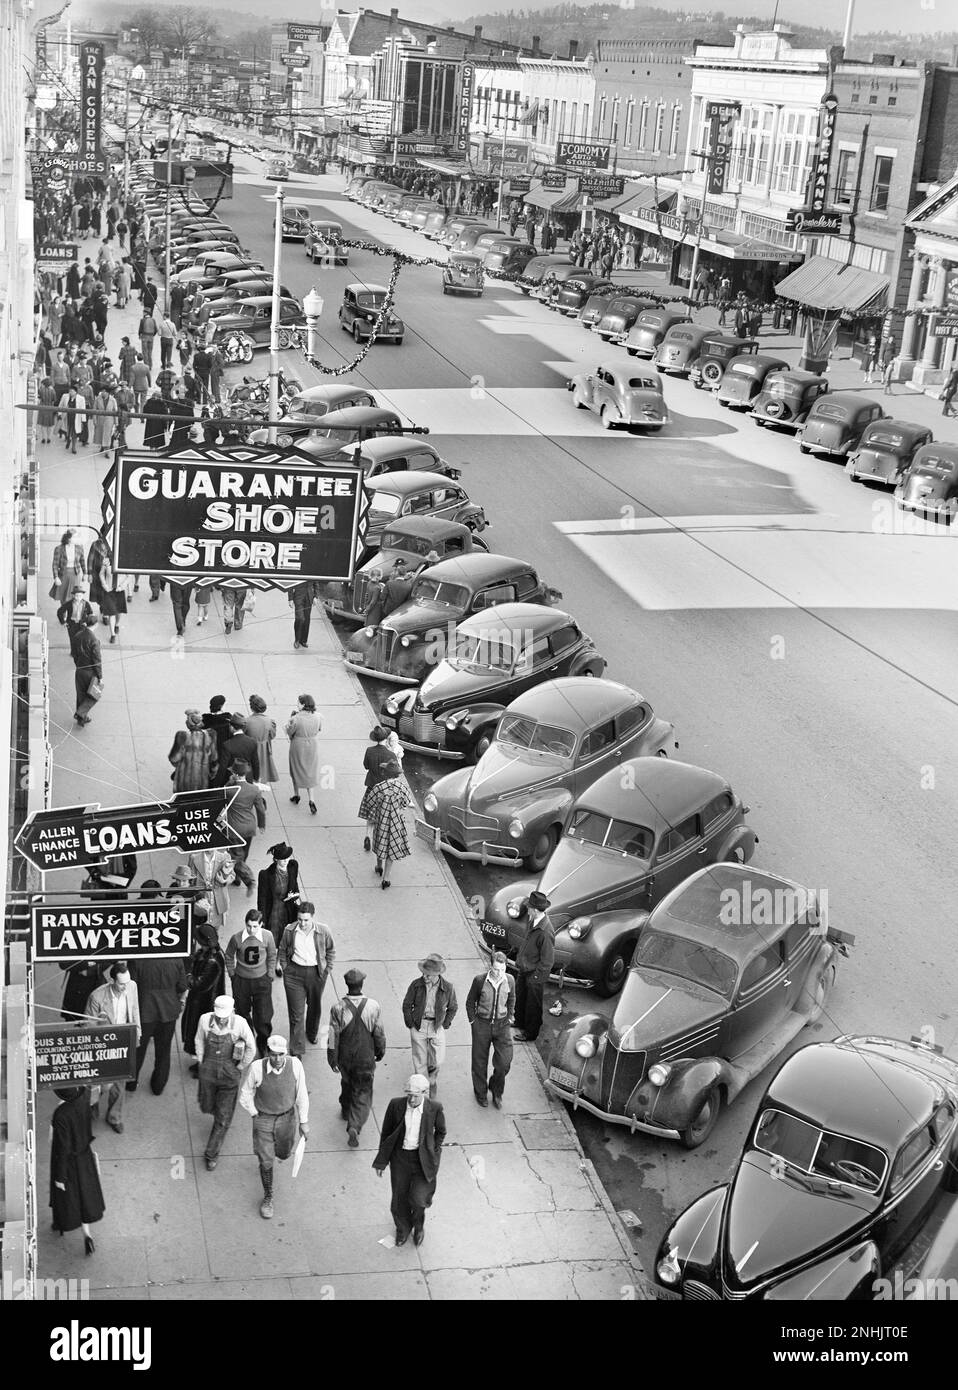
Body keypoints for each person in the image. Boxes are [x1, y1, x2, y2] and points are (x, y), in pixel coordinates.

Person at [239, 1034, 309, 1219]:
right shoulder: (257, 1068)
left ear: (285, 1053)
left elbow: (301, 1093)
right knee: (266, 1160)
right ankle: (268, 1196)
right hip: (263, 1118)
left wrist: (303, 1121)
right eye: (273, 1054)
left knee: (284, 1153)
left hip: (287, 1118)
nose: (277, 1059)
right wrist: (255, 1113)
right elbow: (245, 1094)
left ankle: (275, 1154)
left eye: (281, 1054)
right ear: (267, 1053)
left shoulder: (295, 1065)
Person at [372, 1075, 446, 1247]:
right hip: (401, 1158)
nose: (411, 1099)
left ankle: (418, 1226)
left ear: (424, 1093)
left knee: (419, 1199)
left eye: (416, 1095)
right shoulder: (395, 1105)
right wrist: (382, 1161)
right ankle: (403, 1229)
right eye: (409, 1095)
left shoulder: (434, 1108)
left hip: (423, 1160)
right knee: (399, 1198)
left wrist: (434, 1150)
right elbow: (386, 1133)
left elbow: (441, 1131)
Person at [194, 995, 256, 1171]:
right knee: (206, 1105)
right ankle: (218, 1114)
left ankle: (211, 1153)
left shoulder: (240, 1024)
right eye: (219, 1015)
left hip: (229, 1074)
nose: (221, 1019)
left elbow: (251, 1047)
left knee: (223, 1117)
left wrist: (241, 1066)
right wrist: (201, 1061)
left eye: (224, 1015)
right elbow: (199, 1040)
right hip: (208, 1072)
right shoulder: (205, 1020)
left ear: (232, 1011)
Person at [327, 968, 386, 1148]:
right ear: (362, 984)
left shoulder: (338, 1008)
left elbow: (332, 1036)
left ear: (347, 984)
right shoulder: (373, 1006)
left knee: (347, 1082)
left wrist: (332, 1058)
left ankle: (345, 1108)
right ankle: (354, 1125)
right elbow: (379, 1033)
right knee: (363, 1091)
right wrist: (380, 1051)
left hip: (345, 1056)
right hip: (365, 1056)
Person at [49, 1087, 106, 1256]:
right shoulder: (84, 1098)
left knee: (69, 1199)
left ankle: (60, 1223)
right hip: (84, 1156)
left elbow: (63, 1147)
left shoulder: (60, 1114)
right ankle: (87, 1236)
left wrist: (60, 1177)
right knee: (85, 1198)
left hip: (69, 1164)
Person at [87, 964, 141, 1133]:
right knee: (97, 1083)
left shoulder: (132, 987)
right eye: (121, 984)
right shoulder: (96, 997)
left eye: (127, 982)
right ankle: (91, 1109)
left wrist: (137, 1033)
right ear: (111, 981)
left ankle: (114, 1117)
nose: (125, 987)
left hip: (123, 1041)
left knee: (119, 1083)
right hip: (103, 1044)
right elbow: (89, 1026)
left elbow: (134, 1009)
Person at [278, 902, 336, 1058]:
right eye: (300, 919)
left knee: (314, 1007)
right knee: (296, 1014)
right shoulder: (289, 930)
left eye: (306, 920)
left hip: (316, 974)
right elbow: (282, 949)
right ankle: (297, 1048)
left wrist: (326, 970)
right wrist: (285, 968)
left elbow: (331, 950)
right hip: (294, 974)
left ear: (312, 918)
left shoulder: (323, 931)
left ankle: (311, 1032)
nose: (302, 923)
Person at [128, 954, 188, 1095]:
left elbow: (131, 986)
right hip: (168, 1010)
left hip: (144, 1009)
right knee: (163, 1050)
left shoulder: (137, 958)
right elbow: (182, 986)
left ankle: (131, 1082)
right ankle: (158, 1085)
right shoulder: (176, 958)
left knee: (137, 1050)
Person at [402, 954, 457, 1099]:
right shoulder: (416, 985)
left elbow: (453, 1007)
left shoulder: (448, 988)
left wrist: (445, 1023)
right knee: (420, 1060)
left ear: (437, 974)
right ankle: (422, 1090)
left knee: (437, 1060)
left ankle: (432, 1081)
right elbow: (407, 1005)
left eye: (429, 975)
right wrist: (410, 1024)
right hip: (419, 1025)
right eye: (424, 973)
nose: (425, 977)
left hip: (436, 1026)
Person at [226, 908, 278, 1056]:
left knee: (263, 1015)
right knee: (242, 1014)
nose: (251, 929)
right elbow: (229, 956)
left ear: (261, 924)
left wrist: (270, 974)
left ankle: (263, 1042)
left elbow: (272, 955)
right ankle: (247, 1040)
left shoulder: (267, 936)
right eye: (249, 925)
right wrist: (232, 974)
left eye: (255, 926)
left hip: (262, 981)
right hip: (241, 981)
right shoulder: (237, 938)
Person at [466, 950, 515, 1107]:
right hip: (482, 1024)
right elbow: (470, 1002)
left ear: (506, 967)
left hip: (502, 1025)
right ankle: (480, 1093)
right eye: (495, 969)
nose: (499, 973)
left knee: (504, 1062)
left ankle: (496, 1090)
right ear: (490, 966)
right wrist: (473, 1022)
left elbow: (512, 998)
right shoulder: (479, 980)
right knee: (479, 1062)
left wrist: (509, 1016)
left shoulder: (510, 980)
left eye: (502, 969)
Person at [181, 912, 226, 1076]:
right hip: (203, 1003)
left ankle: (204, 1066)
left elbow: (200, 984)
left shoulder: (212, 961)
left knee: (202, 1037)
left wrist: (186, 975)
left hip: (204, 1005)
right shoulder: (210, 955)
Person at [359, 758, 411, 889]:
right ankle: (386, 878)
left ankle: (379, 866)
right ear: (397, 774)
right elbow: (406, 803)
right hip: (396, 822)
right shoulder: (402, 787)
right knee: (391, 848)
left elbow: (370, 802)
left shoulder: (379, 787)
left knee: (380, 844)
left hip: (381, 821)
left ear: (385, 773)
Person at [513, 890, 555, 1043]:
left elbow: (548, 960)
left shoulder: (545, 932)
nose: (527, 910)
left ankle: (530, 1033)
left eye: (529, 908)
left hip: (534, 974)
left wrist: (536, 977)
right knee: (521, 997)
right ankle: (519, 1021)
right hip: (525, 969)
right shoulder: (533, 921)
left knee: (533, 1005)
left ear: (535, 910)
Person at [225, 760, 267, 891]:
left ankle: (248, 879)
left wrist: (229, 782)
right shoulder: (254, 789)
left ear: (236, 774)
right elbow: (260, 809)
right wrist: (261, 824)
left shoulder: (229, 790)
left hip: (234, 828)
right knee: (244, 853)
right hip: (249, 826)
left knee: (234, 855)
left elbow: (220, 801)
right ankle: (238, 877)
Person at [257, 842, 301, 945]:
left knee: (289, 938)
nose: (286, 861)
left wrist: (295, 894)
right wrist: (262, 918)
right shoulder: (266, 874)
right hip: (274, 909)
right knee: (274, 938)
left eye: (287, 857)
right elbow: (262, 898)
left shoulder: (293, 866)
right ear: (276, 859)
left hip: (289, 908)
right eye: (282, 859)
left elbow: (295, 884)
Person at [286, 694, 322, 813]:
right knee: (309, 771)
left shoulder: (296, 718)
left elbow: (290, 731)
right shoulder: (318, 716)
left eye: (299, 702)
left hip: (298, 745)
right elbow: (319, 729)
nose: (297, 704)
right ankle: (311, 800)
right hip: (312, 744)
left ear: (303, 704)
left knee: (296, 769)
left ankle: (296, 795)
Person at [361, 726, 394, 852]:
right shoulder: (390, 754)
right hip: (385, 789)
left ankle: (367, 836)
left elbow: (366, 766)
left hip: (371, 786)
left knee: (371, 814)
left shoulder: (369, 750)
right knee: (382, 816)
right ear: (386, 738)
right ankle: (378, 841)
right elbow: (394, 773)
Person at [169, 710, 218, 792]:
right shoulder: (210, 735)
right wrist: (211, 773)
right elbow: (214, 760)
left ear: (188, 723)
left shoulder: (182, 736)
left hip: (184, 783)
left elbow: (174, 758)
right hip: (202, 782)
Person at [187, 845, 234, 930]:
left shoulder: (224, 857)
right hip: (202, 899)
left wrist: (224, 881)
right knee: (200, 928)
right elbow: (190, 879)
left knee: (215, 929)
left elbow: (232, 875)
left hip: (218, 901)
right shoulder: (194, 857)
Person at [72, 614, 102, 726]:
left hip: (79, 670)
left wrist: (78, 665)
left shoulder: (77, 635)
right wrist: (100, 677)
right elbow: (97, 661)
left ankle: (82, 718)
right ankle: (80, 713)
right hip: (91, 672)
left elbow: (74, 654)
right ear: (96, 625)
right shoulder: (94, 641)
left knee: (80, 694)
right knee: (94, 695)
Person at [59, 958, 106, 1023]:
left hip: (94, 984)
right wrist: (86, 964)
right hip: (75, 987)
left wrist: (91, 971)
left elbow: (112, 959)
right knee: (73, 1021)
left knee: (95, 1020)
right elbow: (63, 964)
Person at [219, 713, 261, 783]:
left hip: (232, 779)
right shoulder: (252, 742)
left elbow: (223, 767)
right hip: (248, 777)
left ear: (232, 727)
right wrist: (256, 778)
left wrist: (217, 784)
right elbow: (255, 763)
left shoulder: (227, 744)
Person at [246, 695, 279, 783]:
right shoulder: (269, 721)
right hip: (264, 749)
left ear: (252, 708)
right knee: (263, 771)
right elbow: (272, 735)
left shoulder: (247, 721)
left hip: (251, 750)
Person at [52, 529, 86, 605]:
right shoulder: (59, 549)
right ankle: (63, 615)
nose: (77, 539)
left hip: (75, 575)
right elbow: (55, 564)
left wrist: (85, 573)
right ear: (69, 538)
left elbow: (82, 561)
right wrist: (56, 577)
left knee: (75, 597)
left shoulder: (79, 548)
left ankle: (71, 616)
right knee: (64, 599)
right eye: (75, 537)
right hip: (64, 575)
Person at [289, 579, 317, 650]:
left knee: (307, 619)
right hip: (298, 596)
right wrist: (290, 598)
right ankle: (297, 640)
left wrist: (316, 596)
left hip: (309, 596)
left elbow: (316, 581)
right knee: (300, 618)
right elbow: (290, 582)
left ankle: (303, 640)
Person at [37, 375, 58, 444]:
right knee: (50, 424)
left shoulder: (41, 390)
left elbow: (39, 397)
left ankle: (43, 438)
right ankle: (49, 438)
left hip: (42, 407)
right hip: (50, 408)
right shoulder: (53, 391)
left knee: (43, 424)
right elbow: (54, 399)